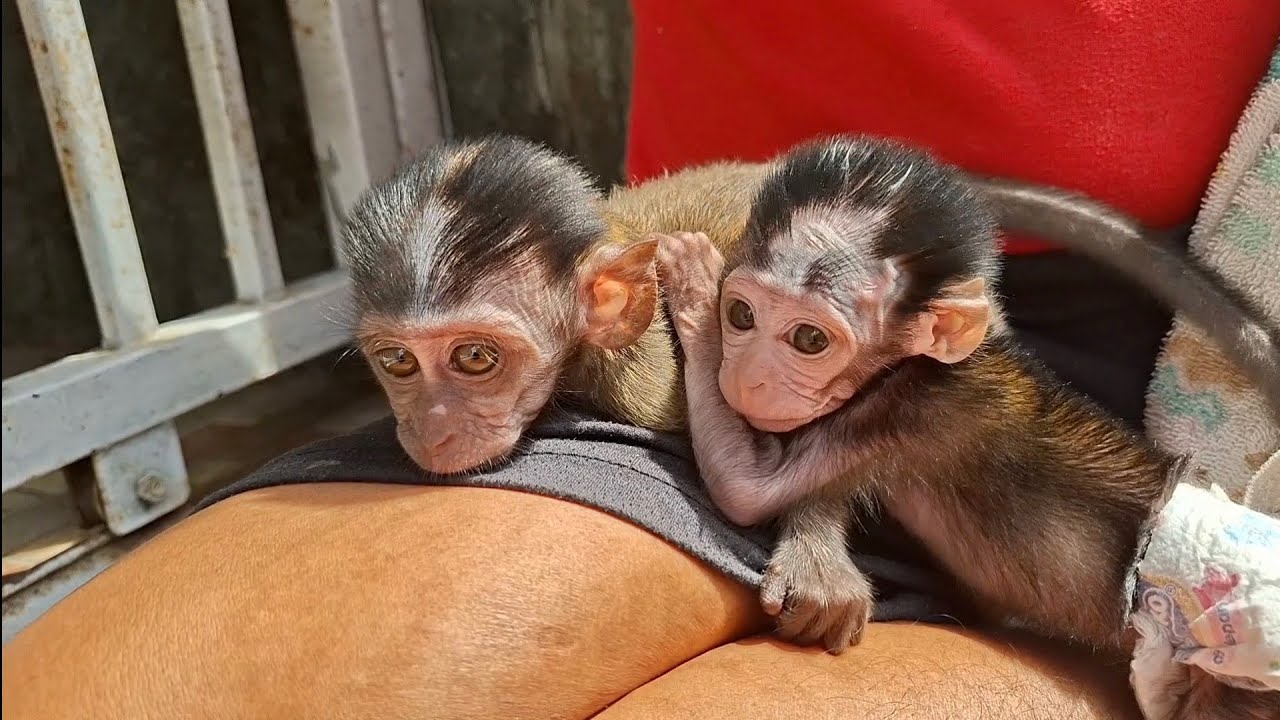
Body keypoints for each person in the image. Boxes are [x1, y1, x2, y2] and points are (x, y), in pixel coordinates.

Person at [5, 2, 1278, 718]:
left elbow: (765, 457)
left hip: (1060, 336)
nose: (426, 418)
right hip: (724, 301)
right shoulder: (613, 309)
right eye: (395, 367)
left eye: (462, 363)